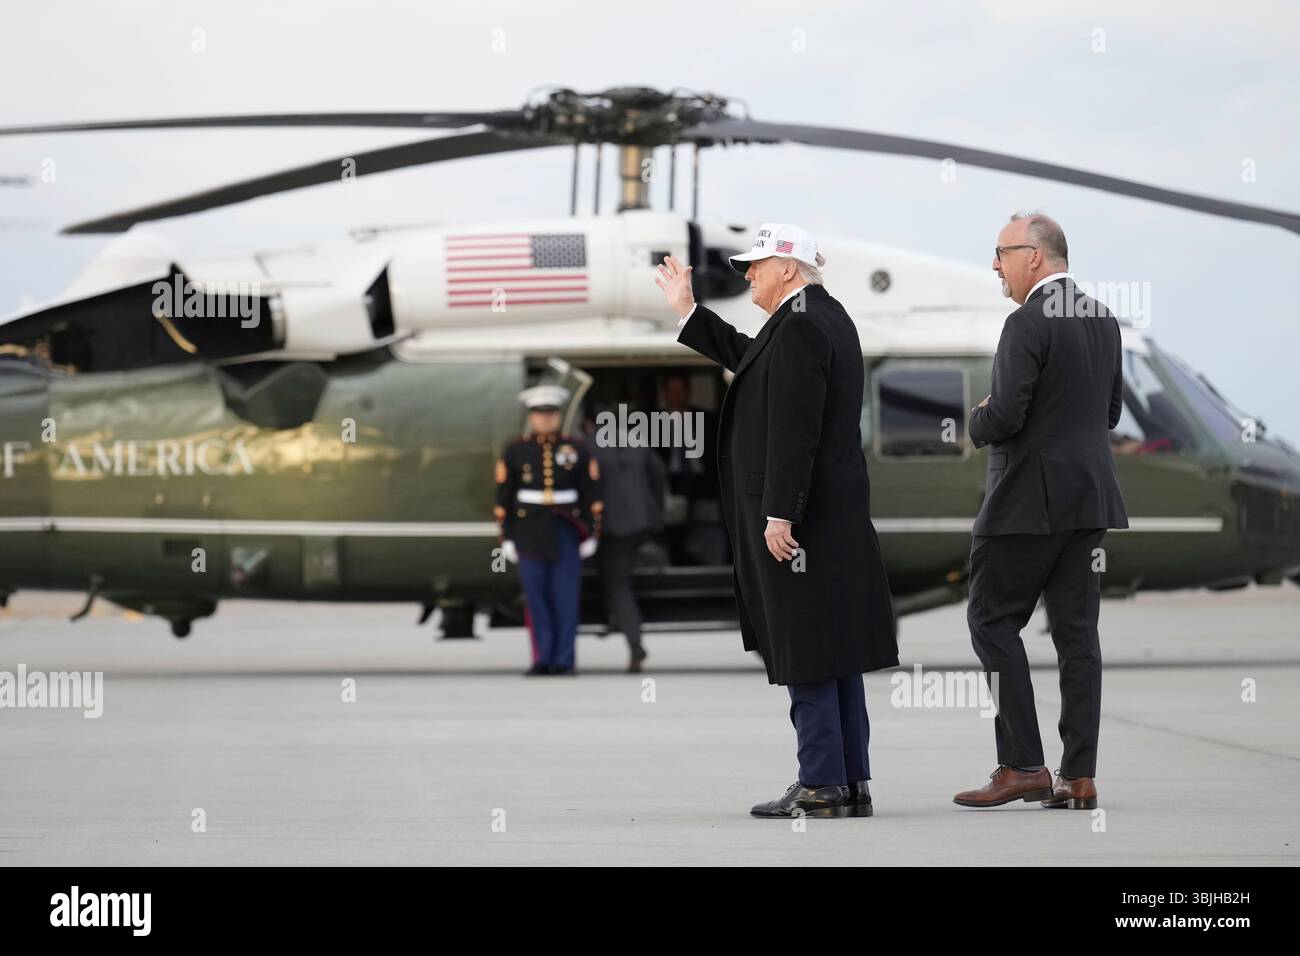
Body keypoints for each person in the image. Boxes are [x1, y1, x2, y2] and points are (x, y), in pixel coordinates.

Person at [655, 224, 898, 819]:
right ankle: (849, 782)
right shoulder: (817, 317)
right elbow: (756, 365)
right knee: (834, 649)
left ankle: (819, 784)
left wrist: (779, 512)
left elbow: (795, 426)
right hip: (830, 516)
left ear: (787, 268)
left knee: (805, 647)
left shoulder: (803, 323)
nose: (747, 275)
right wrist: (690, 313)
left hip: (804, 520)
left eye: (756, 265)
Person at [953, 212, 1128, 810]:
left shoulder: (1026, 322)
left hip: (1027, 503)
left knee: (992, 623)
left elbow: (1004, 417)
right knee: (1078, 636)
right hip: (1090, 500)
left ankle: (1023, 766)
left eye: (1000, 253)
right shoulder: (1103, 319)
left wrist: (980, 414)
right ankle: (1079, 778)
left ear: (1035, 256)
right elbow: (1109, 415)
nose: (995, 266)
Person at [494, 385, 603, 676]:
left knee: (566, 598)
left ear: (558, 416)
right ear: (531, 417)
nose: (545, 419)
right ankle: (542, 658)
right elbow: (504, 496)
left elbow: (591, 493)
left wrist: (592, 533)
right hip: (528, 531)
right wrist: (505, 537)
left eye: (550, 413)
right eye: (540, 414)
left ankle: (565, 660)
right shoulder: (516, 450)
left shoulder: (576, 448)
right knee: (536, 599)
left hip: (566, 528)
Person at [588, 410, 666, 672]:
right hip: (640, 521)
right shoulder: (637, 440)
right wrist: (654, 509)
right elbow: (659, 473)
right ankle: (616, 619)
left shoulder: (588, 443)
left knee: (618, 584)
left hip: (611, 526)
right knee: (620, 577)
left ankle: (635, 644)